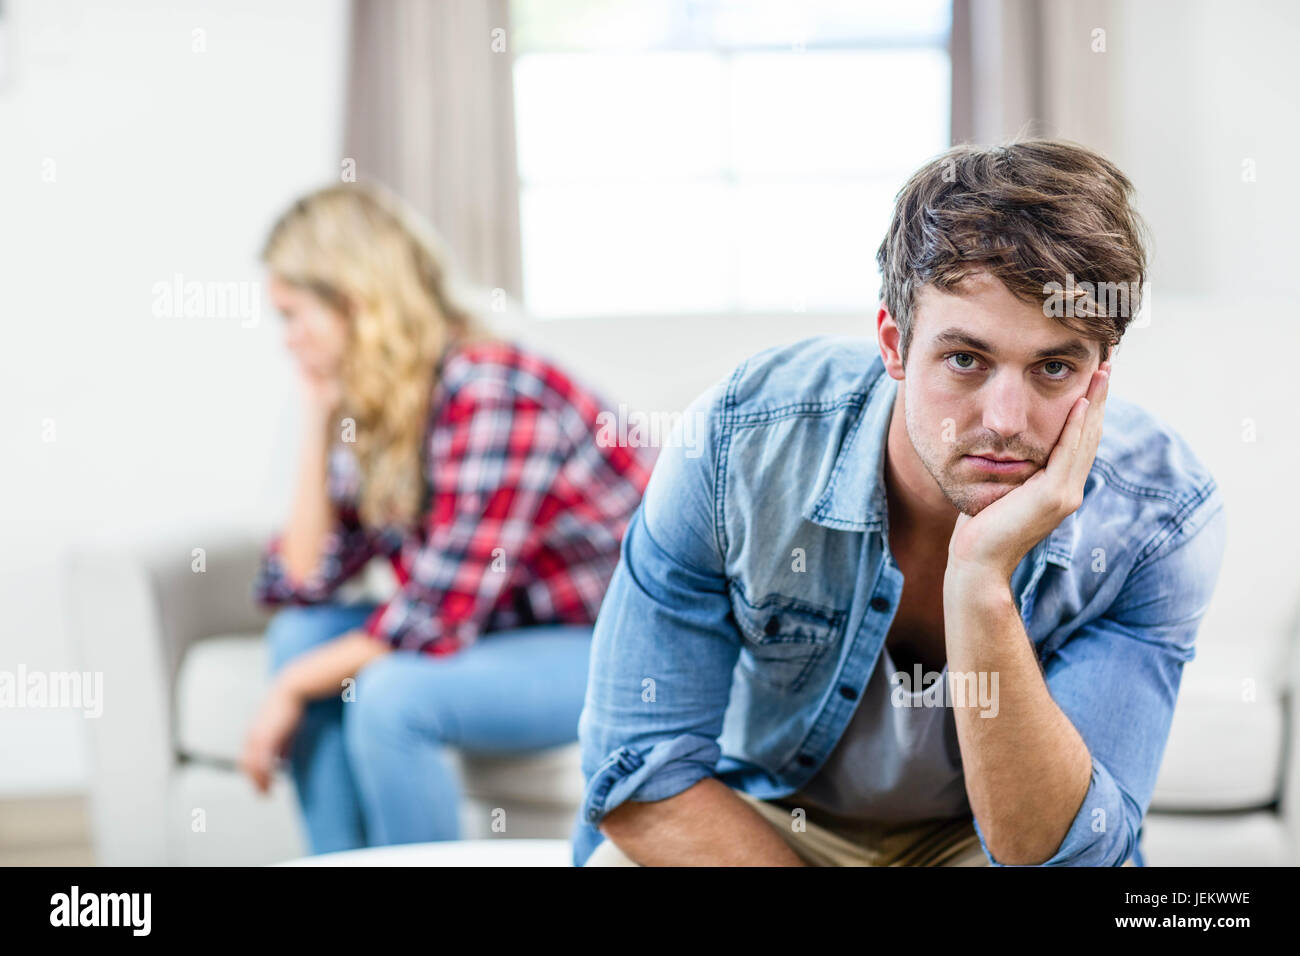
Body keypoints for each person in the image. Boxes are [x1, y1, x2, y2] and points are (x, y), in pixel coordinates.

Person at [575, 139, 1227, 867]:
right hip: (769, 820)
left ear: (1097, 377)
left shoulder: (1158, 518)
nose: (1006, 419)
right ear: (894, 344)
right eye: (965, 359)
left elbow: (1059, 852)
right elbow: (636, 771)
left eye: (1052, 366)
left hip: (978, 846)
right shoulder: (736, 445)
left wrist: (980, 582)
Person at [239, 182, 654, 854]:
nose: (287, 341)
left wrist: (289, 689)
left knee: (391, 696)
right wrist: (317, 419)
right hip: (507, 630)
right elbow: (305, 581)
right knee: (300, 636)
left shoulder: (495, 393)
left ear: (354, 304)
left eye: (293, 315)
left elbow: (435, 617)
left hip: (610, 644)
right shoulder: (385, 405)